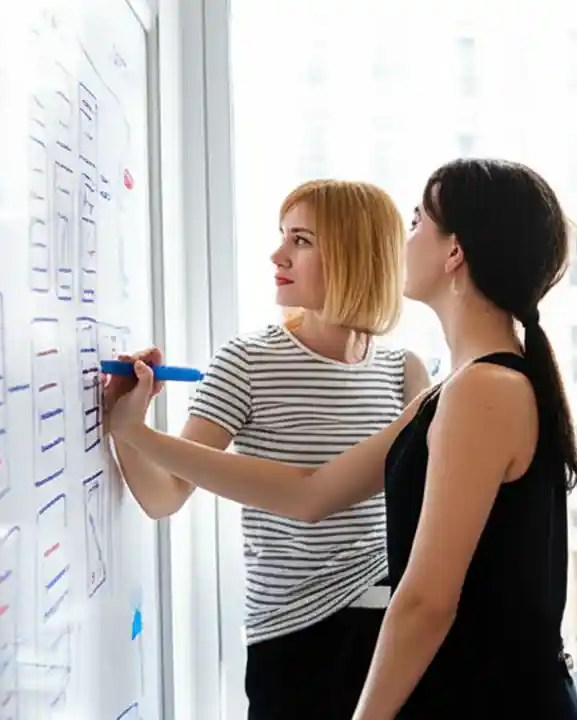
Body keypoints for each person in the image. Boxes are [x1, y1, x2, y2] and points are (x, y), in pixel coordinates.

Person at [106, 158, 577, 719]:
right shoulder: (456, 391)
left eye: (415, 224)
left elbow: (426, 602)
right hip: (420, 679)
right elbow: (312, 493)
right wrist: (132, 432)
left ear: (454, 252)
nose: (401, 243)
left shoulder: (482, 390)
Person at [104, 179, 431, 720]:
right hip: (293, 636)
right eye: (283, 236)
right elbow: (164, 498)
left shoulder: (404, 371)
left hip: (392, 627)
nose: (277, 254)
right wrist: (129, 427)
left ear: (354, 253)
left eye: (301, 240)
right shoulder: (247, 361)